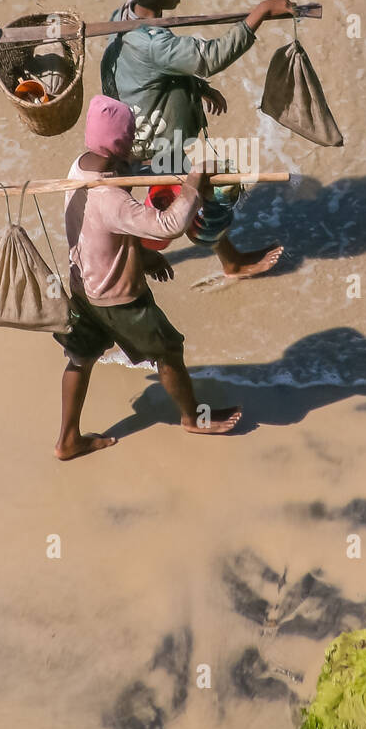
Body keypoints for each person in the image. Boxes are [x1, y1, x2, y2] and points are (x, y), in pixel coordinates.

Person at [55, 94, 243, 461]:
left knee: (81, 356)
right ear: (120, 145)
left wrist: (139, 256)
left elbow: (99, 233)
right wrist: (192, 183)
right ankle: (193, 418)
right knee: (168, 351)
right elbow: (168, 224)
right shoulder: (111, 199)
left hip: (82, 284)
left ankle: (67, 440)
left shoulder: (79, 167)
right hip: (118, 297)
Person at [101, 0, 292, 277]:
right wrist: (261, 12)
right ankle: (159, 250)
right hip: (156, 141)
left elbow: (151, 71)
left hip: (130, 124)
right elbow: (209, 57)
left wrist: (198, 87)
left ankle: (205, 252)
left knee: (201, 184)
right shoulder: (153, 42)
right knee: (219, 187)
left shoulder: (123, 15)